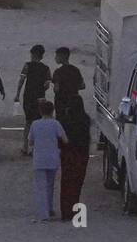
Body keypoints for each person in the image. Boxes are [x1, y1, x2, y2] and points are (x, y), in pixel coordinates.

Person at [28, 99, 67, 222]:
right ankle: (50, 208)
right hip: (53, 158)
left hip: (39, 159)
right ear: (53, 111)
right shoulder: (56, 124)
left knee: (41, 187)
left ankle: (43, 214)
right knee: (50, 185)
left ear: (40, 111)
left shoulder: (35, 124)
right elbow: (65, 139)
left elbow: (30, 141)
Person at [58, 94, 92, 222]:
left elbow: (61, 140)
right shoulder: (85, 120)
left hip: (67, 155)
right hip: (82, 155)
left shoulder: (65, 120)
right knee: (77, 183)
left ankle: (65, 211)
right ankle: (74, 209)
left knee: (66, 183)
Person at [15, 45, 51, 156]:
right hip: (40, 98)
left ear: (33, 54)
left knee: (28, 122)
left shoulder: (27, 65)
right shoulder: (46, 68)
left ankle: (25, 147)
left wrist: (17, 94)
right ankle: (34, 148)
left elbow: (21, 80)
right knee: (38, 122)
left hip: (28, 97)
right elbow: (47, 85)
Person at [51, 46, 85, 117]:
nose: (55, 58)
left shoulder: (58, 72)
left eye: (57, 56)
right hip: (74, 101)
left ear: (62, 56)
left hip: (61, 102)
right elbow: (82, 86)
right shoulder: (75, 70)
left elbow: (56, 89)